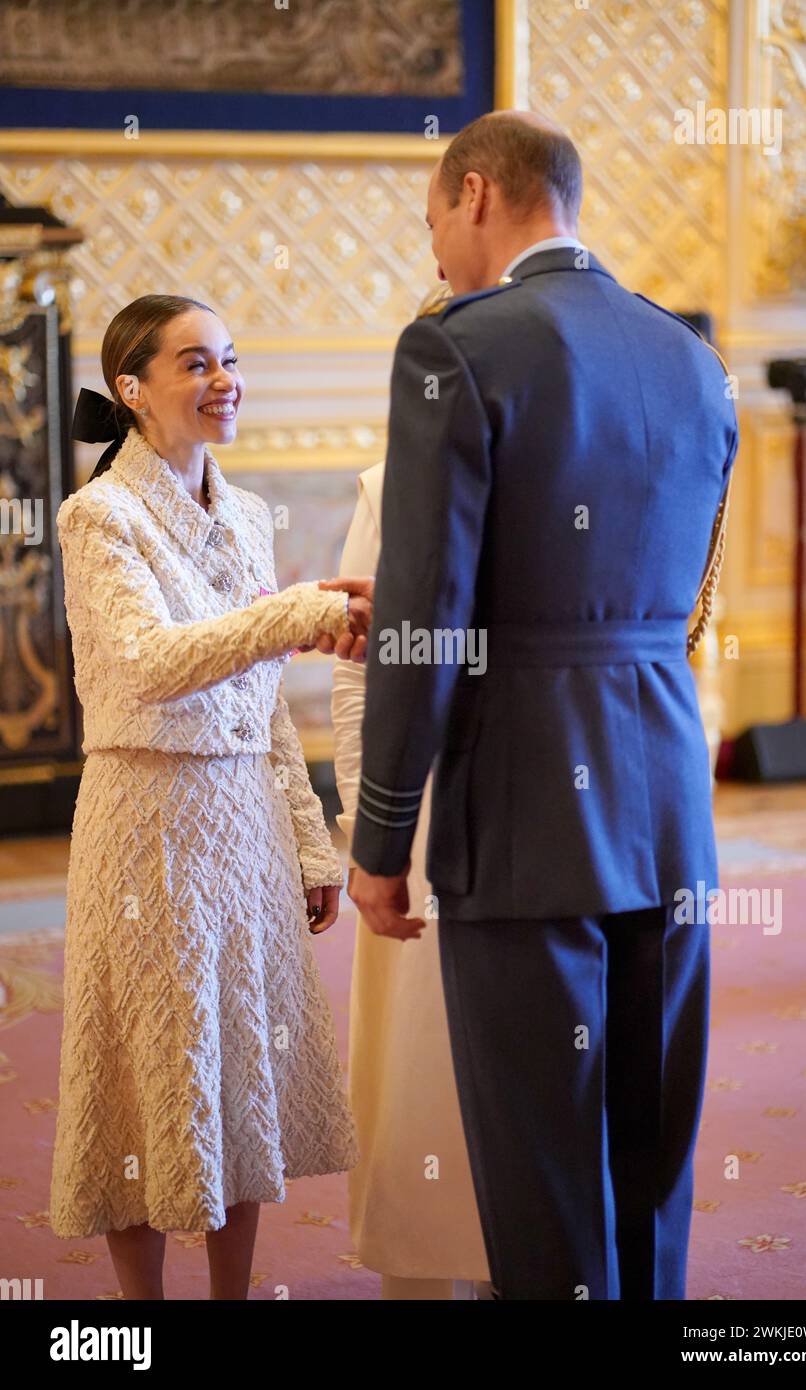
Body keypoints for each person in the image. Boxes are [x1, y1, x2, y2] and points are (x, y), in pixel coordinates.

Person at [345, 111, 739, 1300]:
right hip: (663, 801)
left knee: (542, 1179)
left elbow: (421, 619)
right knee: (649, 1156)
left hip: (519, 812)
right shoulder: (687, 357)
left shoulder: (458, 349)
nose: (435, 259)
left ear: (475, 194)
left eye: (431, 227)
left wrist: (377, 834)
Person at [48, 293, 371, 1300]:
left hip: (244, 826)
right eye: (195, 363)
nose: (223, 379)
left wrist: (310, 847)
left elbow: (265, 699)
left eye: (228, 358)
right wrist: (293, 612)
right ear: (133, 390)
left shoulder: (243, 510)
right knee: (152, 1071)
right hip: (146, 823)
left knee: (239, 1074)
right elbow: (149, 664)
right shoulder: (97, 515)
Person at [331, 447, 491, 1301]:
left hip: (545, 802)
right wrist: (365, 827)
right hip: (421, 799)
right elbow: (360, 676)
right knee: (419, 1050)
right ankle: (423, 1271)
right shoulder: (394, 485)